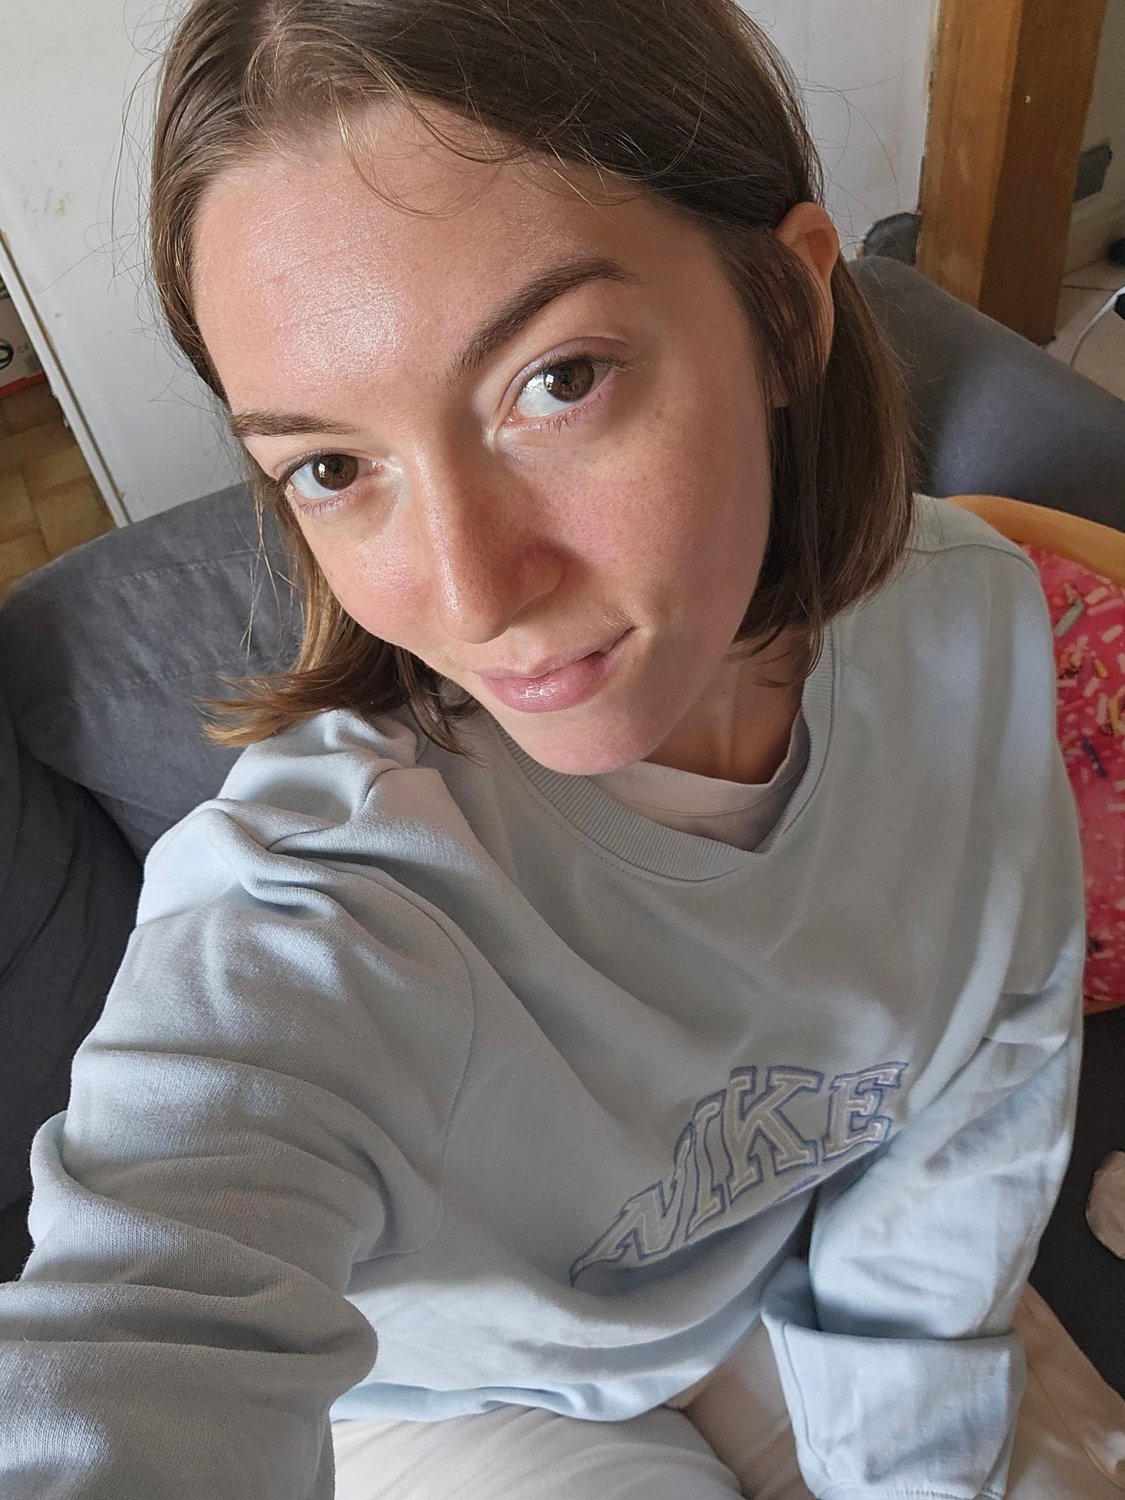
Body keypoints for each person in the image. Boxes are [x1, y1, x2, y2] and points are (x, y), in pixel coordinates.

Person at [0, 1, 1121, 1495]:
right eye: (332, 466)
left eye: (557, 379)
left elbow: (981, 1083)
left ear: (787, 311)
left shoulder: (967, 625)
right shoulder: (324, 903)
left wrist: (914, 1456)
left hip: (809, 1260)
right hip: (458, 1397)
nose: (470, 596)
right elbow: (142, 1316)